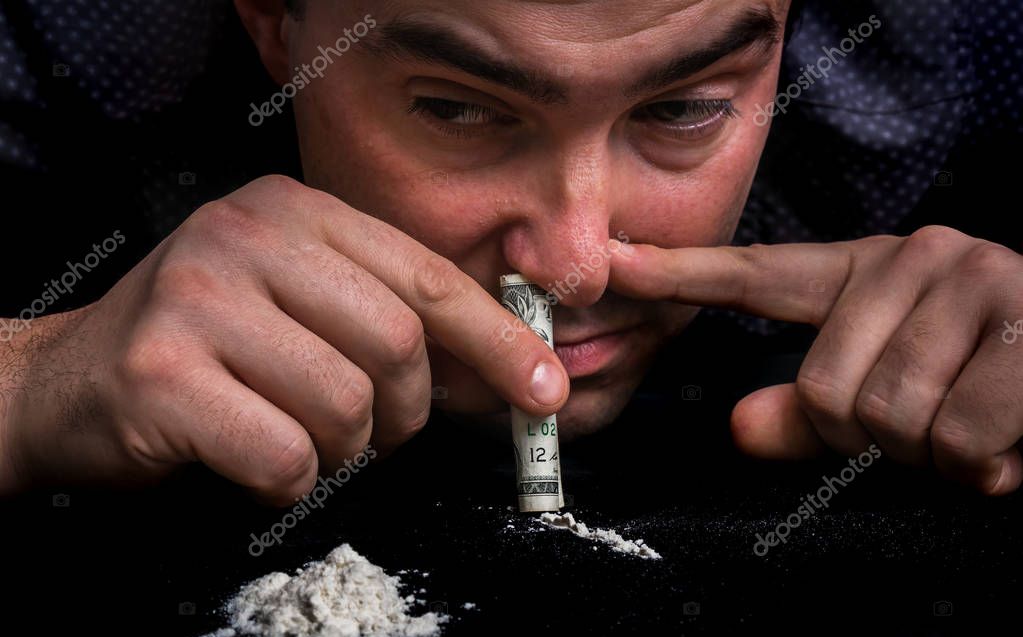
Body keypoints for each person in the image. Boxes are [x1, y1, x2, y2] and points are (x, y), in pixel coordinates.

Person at [0, 0, 1020, 504]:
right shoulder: (67, 39)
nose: (575, 266)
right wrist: (32, 374)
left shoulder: (961, 43)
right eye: (455, 109)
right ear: (275, 20)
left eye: (683, 108)